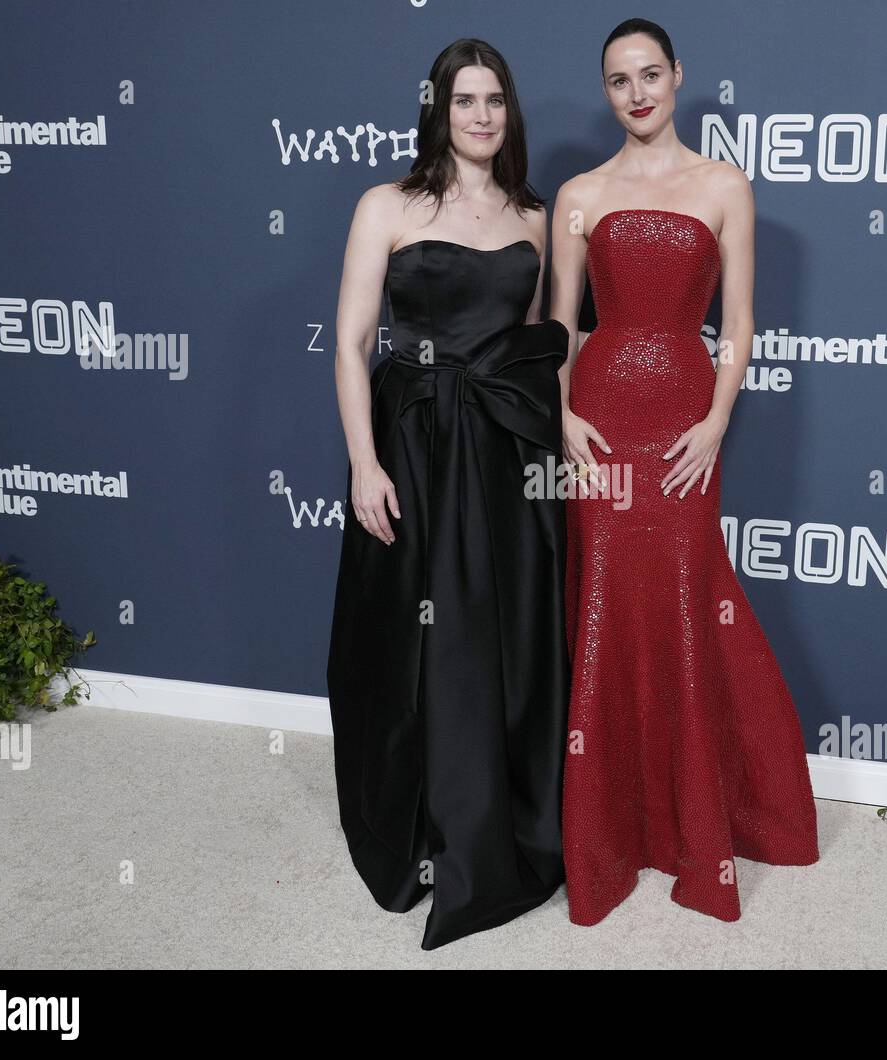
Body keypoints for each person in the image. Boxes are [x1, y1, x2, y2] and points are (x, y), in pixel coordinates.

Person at [549, 18, 820, 927]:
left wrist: (714, 420)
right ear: (606, 91)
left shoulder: (723, 185)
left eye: (650, 74)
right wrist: (563, 414)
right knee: (603, 605)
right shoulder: (580, 193)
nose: (637, 93)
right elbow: (560, 329)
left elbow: (738, 322)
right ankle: (608, 834)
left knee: (682, 592)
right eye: (619, 80)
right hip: (598, 421)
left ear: (678, 78)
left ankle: (695, 825)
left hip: (681, 419)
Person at [326, 38, 570, 950]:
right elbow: (353, 344)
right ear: (437, 108)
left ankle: (495, 822)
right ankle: (420, 826)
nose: (480, 115)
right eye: (464, 99)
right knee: (412, 638)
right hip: (414, 440)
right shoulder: (385, 204)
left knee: (495, 635)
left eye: (494, 100)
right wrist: (363, 460)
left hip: (503, 449)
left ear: (510, 112)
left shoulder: (535, 215)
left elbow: (543, 339)